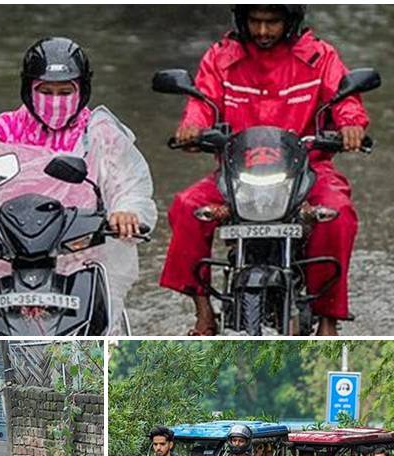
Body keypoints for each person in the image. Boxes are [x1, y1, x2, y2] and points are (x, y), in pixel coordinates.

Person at [159, 4, 370, 336]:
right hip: (236, 174)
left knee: (338, 215)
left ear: (289, 22)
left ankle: (328, 320)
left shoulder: (319, 57)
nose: (262, 31)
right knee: (186, 207)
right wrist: (192, 128)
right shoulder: (221, 57)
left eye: (271, 22)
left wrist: (351, 125)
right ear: (242, 21)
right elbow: (202, 102)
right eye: (255, 21)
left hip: (307, 171)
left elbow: (344, 99)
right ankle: (203, 313)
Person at [0, 36, 155, 334]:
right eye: (46, 91)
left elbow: (129, 185)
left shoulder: (98, 133)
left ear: (82, 90)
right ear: (28, 89)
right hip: (6, 252)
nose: (55, 99)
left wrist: (126, 212)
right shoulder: (3, 130)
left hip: (78, 252)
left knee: (100, 333)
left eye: (65, 91)